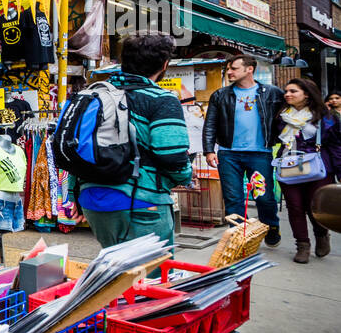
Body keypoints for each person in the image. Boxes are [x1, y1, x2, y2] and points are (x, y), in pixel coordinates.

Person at [73, 32, 193, 249]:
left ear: (123, 61)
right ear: (164, 64)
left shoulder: (95, 95)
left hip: (93, 201)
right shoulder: (162, 99)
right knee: (150, 278)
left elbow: (78, 148)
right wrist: (186, 176)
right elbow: (172, 156)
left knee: (115, 276)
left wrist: (76, 193)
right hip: (141, 203)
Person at [202, 55, 285, 245]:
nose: (229, 72)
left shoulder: (272, 93)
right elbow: (210, 124)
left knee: (263, 196)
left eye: (234, 68)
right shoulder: (220, 95)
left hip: (260, 154)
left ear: (250, 69)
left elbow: (286, 117)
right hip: (229, 154)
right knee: (233, 198)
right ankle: (239, 236)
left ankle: (271, 226)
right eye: (228, 69)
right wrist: (209, 150)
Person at [272, 78, 332, 262]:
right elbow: (274, 138)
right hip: (289, 165)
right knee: (295, 207)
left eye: (293, 91)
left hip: (318, 167)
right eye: (286, 91)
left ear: (306, 94)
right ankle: (302, 245)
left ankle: (321, 235)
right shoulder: (281, 116)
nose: (287, 94)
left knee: (315, 208)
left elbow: (336, 145)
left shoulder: (324, 116)